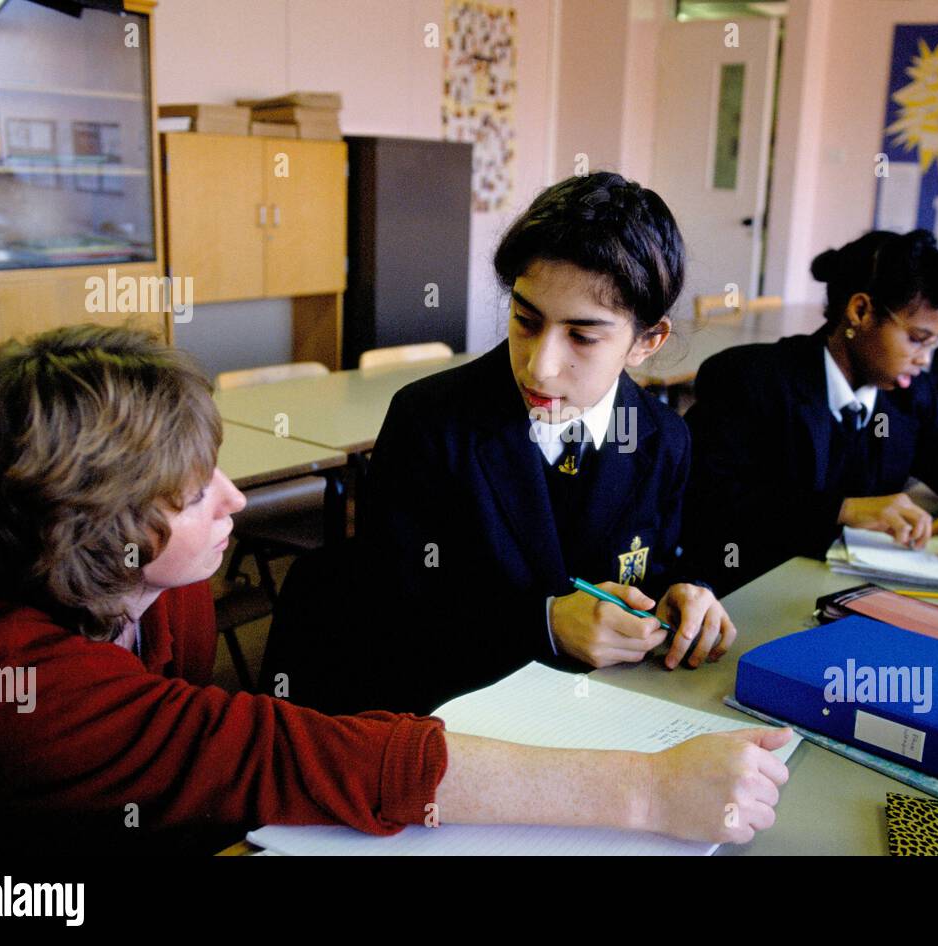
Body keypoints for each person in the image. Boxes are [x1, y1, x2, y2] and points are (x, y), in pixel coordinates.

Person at [0, 324, 788, 855]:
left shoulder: (161, 583)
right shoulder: (16, 687)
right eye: (194, 494)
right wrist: (649, 791)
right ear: (98, 530)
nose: (235, 499)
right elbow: (280, 754)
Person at [263, 172, 736, 715]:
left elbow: (651, 564)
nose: (540, 365)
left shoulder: (664, 436)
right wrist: (545, 625)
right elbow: (393, 611)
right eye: (525, 321)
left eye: (582, 336)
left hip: (609, 711)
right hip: (457, 717)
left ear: (647, 342)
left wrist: (681, 594)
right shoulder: (431, 422)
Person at [681, 229, 938, 595]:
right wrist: (842, 510)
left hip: (854, 594)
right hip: (744, 594)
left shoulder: (908, 396)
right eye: (916, 339)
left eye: (934, 343)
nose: (924, 360)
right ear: (860, 311)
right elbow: (706, 503)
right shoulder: (753, 380)